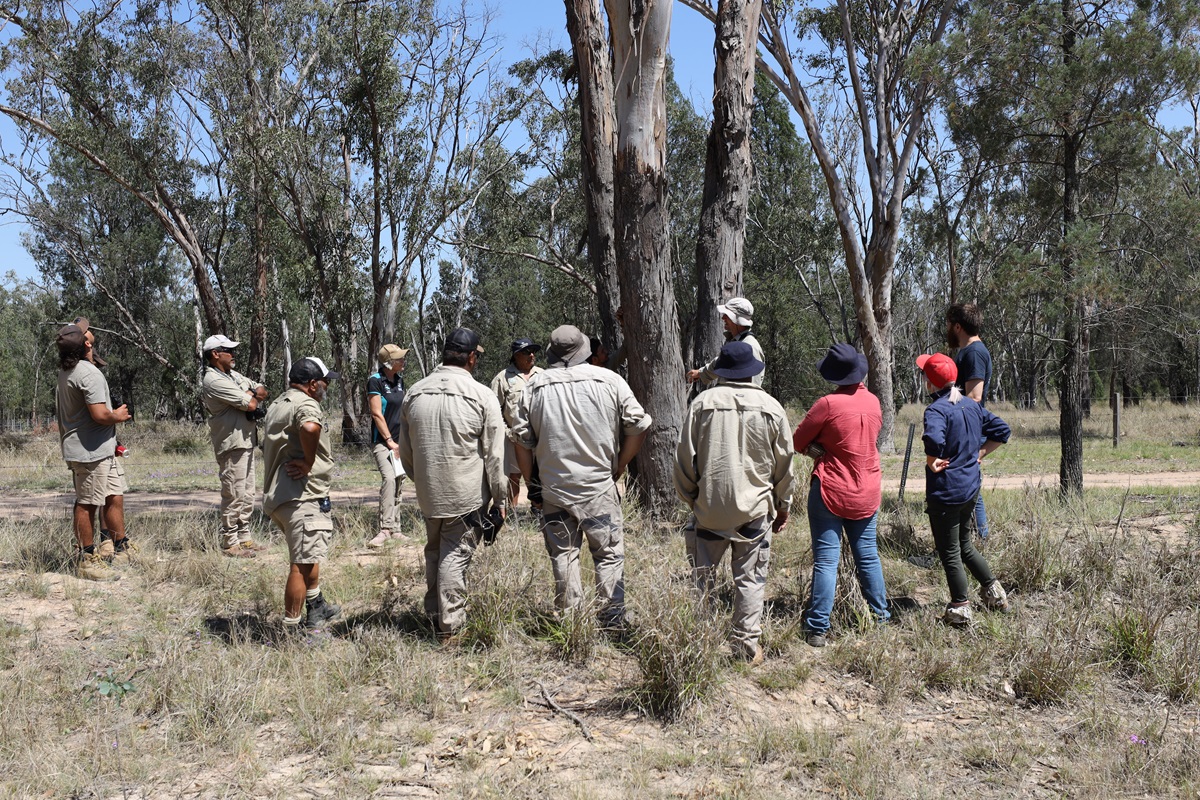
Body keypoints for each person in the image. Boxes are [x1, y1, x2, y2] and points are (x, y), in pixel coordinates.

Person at [511, 324, 652, 630]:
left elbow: (521, 442)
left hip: (554, 489)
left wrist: (532, 484)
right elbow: (639, 425)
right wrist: (620, 465)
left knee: (563, 555)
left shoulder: (534, 387)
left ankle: (571, 622)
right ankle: (612, 620)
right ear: (584, 351)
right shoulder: (609, 380)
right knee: (608, 554)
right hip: (599, 488)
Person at [674, 341, 794, 663]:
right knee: (750, 579)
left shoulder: (702, 403)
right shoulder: (772, 407)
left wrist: (692, 499)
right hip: (754, 512)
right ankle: (745, 648)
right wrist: (783, 505)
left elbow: (683, 458)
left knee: (702, 578)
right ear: (751, 371)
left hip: (709, 509)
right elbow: (785, 465)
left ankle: (700, 643)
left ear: (722, 372)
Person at [397, 328, 507, 639]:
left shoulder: (415, 392)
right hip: (465, 496)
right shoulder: (482, 395)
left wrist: (424, 481)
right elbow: (495, 456)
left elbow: (406, 451)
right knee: (454, 556)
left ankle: (433, 615)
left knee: (434, 551)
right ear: (471, 357)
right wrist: (500, 499)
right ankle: (450, 626)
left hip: (429, 493)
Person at [792, 343, 891, 647]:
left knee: (826, 560)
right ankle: (881, 619)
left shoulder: (827, 404)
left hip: (831, 489)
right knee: (868, 556)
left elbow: (797, 441)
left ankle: (818, 628)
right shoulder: (874, 402)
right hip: (867, 490)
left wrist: (817, 450)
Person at [917, 352, 1012, 627]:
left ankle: (960, 610)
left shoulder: (936, 410)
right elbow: (1002, 430)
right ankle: (995, 595)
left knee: (950, 552)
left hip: (946, 491)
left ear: (930, 383)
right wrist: (980, 453)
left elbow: (933, 438)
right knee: (965, 545)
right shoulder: (971, 405)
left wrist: (931, 459)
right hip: (970, 487)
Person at [262, 357, 342, 631]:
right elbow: (310, 427)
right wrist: (308, 462)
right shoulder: (306, 404)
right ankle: (291, 629)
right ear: (312, 384)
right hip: (302, 496)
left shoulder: (279, 403)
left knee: (309, 555)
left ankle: (317, 606)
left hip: (281, 495)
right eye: (325, 382)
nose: (327, 387)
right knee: (299, 565)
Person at [55, 321, 133, 581]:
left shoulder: (70, 369)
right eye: (85, 331)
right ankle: (87, 559)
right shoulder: (88, 373)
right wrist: (117, 416)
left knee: (114, 495)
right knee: (87, 503)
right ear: (87, 343)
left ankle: (121, 547)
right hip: (90, 451)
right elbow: (99, 414)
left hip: (100, 449)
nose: (88, 330)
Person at [201, 334, 270, 558]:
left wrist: (250, 394)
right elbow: (251, 404)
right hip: (231, 444)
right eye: (229, 350)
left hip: (246, 441)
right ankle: (230, 542)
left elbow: (262, 390)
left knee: (248, 492)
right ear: (215, 354)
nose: (233, 355)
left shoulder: (232, 375)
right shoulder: (213, 380)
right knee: (233, 493)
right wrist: (250, 396)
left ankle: (244, 537)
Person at [946, 302, 994, 542]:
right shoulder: (967, 351)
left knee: (967, 486)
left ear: (957, 326)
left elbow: (974, 397)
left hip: (968, 430)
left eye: (948, 325)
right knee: (969, 486)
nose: (947, 329)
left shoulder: (974, 353)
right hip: (963, 428)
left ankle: (977, 540)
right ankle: (977, 540)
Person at [489, 338, 544, 507]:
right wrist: (507, 432)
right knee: (514, 475)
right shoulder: (503, 378)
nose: (532, 355)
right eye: (527, 352)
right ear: (516, 355)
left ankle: (538, 509)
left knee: (541, 473)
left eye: (533, 352)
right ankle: (513, 513)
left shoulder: (543, 375)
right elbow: (494, 409)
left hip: (541, 436)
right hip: (514, 437)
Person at [366, 343, 409, 547]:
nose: (403, 361)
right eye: (399, 358)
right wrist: (390, 441)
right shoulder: (375, 381)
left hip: (401, 442)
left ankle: (396, 529)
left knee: (399, 480)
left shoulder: (400, 381)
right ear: (388, 362)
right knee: (389, 479)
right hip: (383, 442)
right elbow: (376, 414)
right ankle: (384, 529)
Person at [686, 297, 765, 387]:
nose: (723, 318)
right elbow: (720, 362)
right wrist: (701, 373)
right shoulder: (735, 341)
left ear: (736, 319)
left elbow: (752, 388)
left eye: (727, 315)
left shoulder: (751, 348)